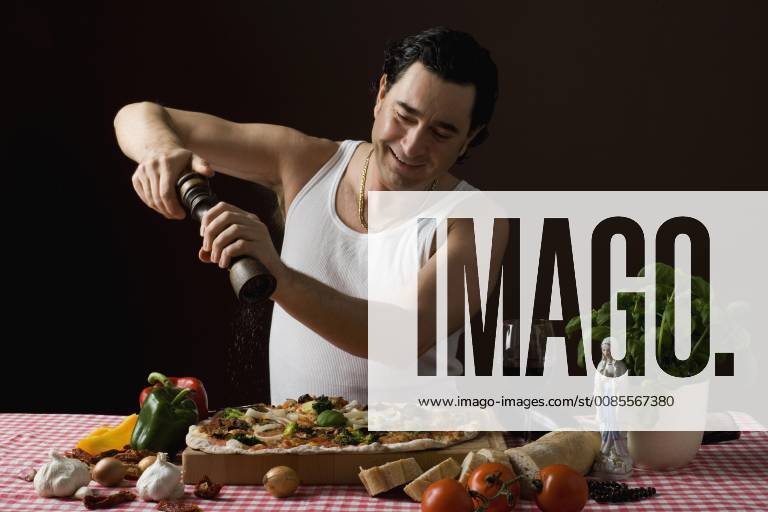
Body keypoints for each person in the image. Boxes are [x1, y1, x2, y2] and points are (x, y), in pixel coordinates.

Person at [114, 27, 505, 405]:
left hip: (419, 458)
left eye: (441, 132)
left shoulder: (473, 219)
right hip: (294, 447)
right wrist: (162, 151)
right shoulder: (304, 162)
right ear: (382, 94)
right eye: (404, 116)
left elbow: (396, 338)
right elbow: (137, 115)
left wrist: (279, 277)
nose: (412, 144)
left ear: (469, 137)